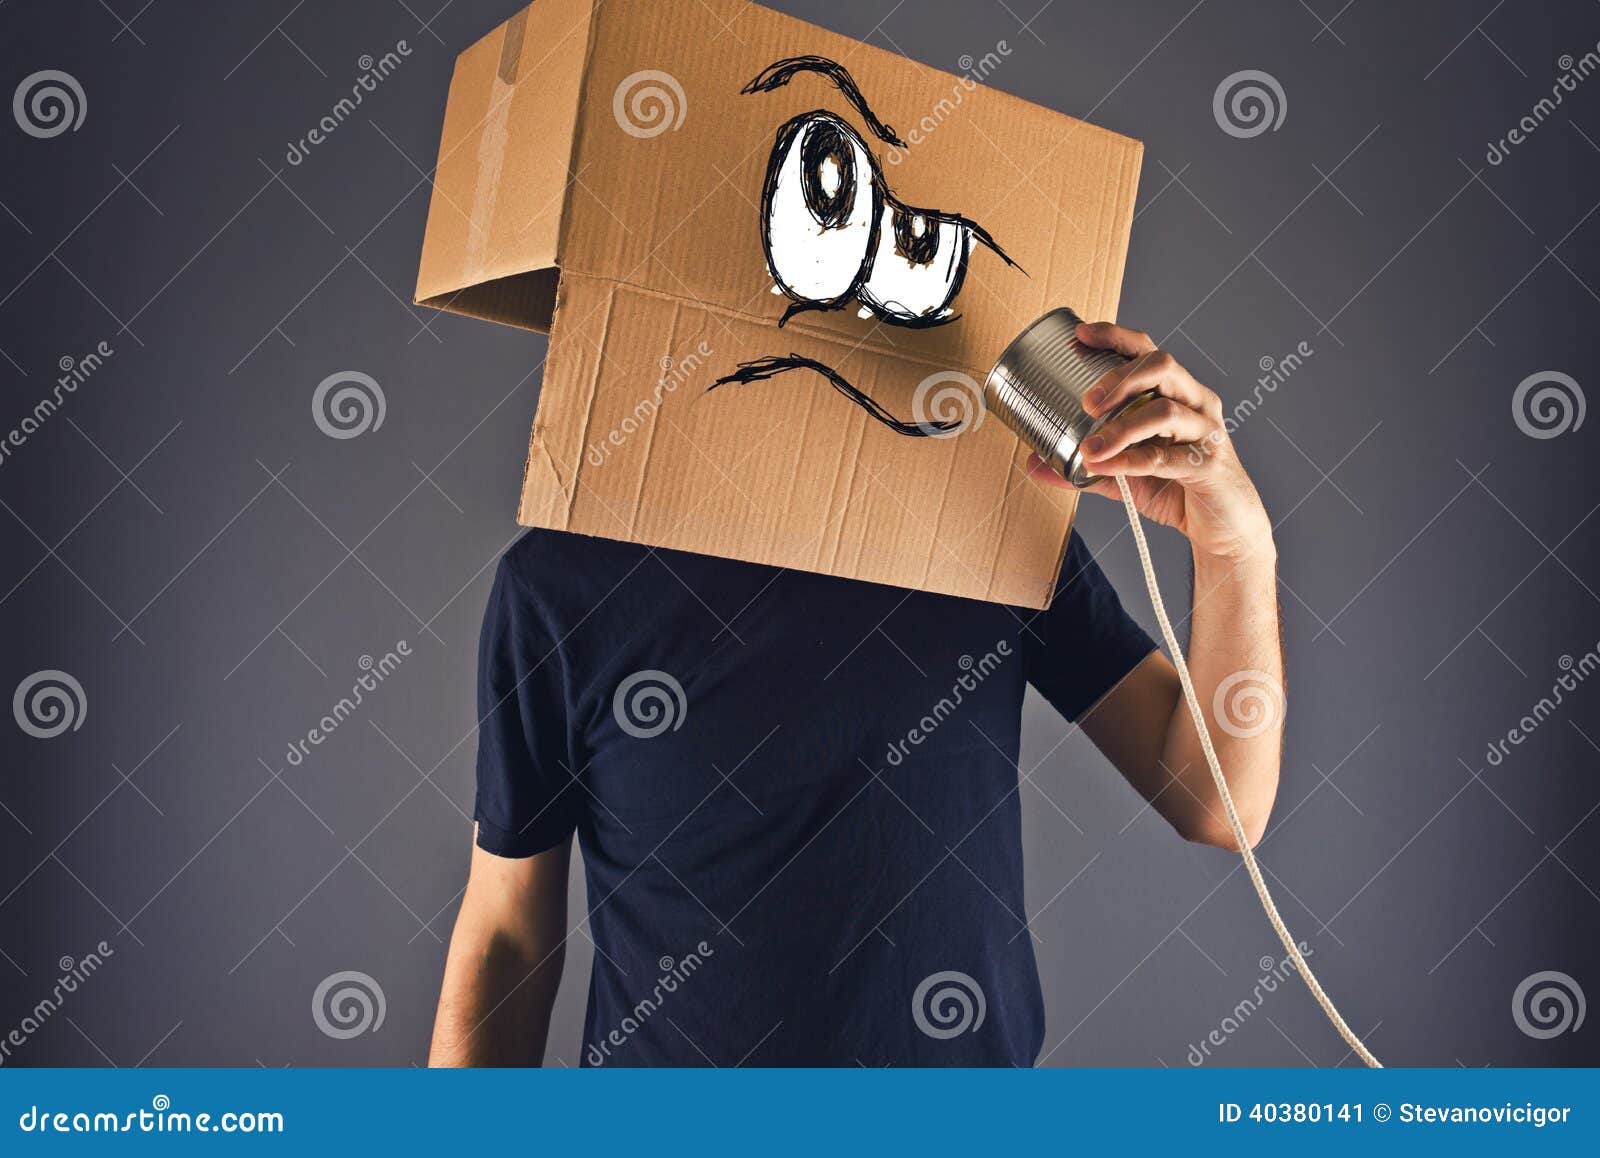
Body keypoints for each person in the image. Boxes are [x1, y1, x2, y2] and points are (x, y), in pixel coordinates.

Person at [428, 321, 1282, 1066]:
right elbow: (509, 929)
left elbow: (1220, 801)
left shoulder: (988, 527)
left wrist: (1235, 542)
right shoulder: (566, 581)